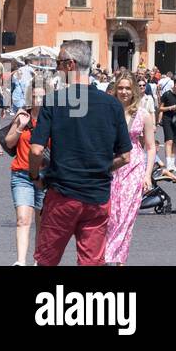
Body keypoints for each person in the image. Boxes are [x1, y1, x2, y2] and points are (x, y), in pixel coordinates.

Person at [31, 40, 132, 266]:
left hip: (62, 195)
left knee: (46, 260)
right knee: (91, 262)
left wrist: (34, 176)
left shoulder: (54, 101)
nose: (57, 69)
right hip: (97, 196)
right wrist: (103, 167)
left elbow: (36, 149)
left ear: (70, 65)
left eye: (58, 63)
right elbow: (125, 156)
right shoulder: (112, 105)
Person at [105, 71, 156, 265]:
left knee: (126, 217)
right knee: (109, 216)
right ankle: (106, 255)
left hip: (133, 167)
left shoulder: (143, 115)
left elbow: (150, 147)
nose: (124, 92)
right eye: (120, 88)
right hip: (111, 167)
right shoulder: (108, 111)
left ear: (133, 90)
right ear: (115, 89)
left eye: (127, 88)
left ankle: (117, 260)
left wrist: (147, 175)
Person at [3, 80, 50, 265]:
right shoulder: (22, 115)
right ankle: (21, 261)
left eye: (41, 95)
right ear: (30, 96)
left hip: (45, 177)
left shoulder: (52, 118)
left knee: (41, 222)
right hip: (21, 174)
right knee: (23, 219)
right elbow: (9, 142)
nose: (38, 99)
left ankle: (37, 260)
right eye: (35, 95)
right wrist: (20, 126)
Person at [158, 77, 176, 172]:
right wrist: (171, 107)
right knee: (169, 141)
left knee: (175, 141)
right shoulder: (166, 94)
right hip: (167, 119)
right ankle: (168, 163)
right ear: (175, 85)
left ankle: (173, 164)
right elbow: (160, 108)